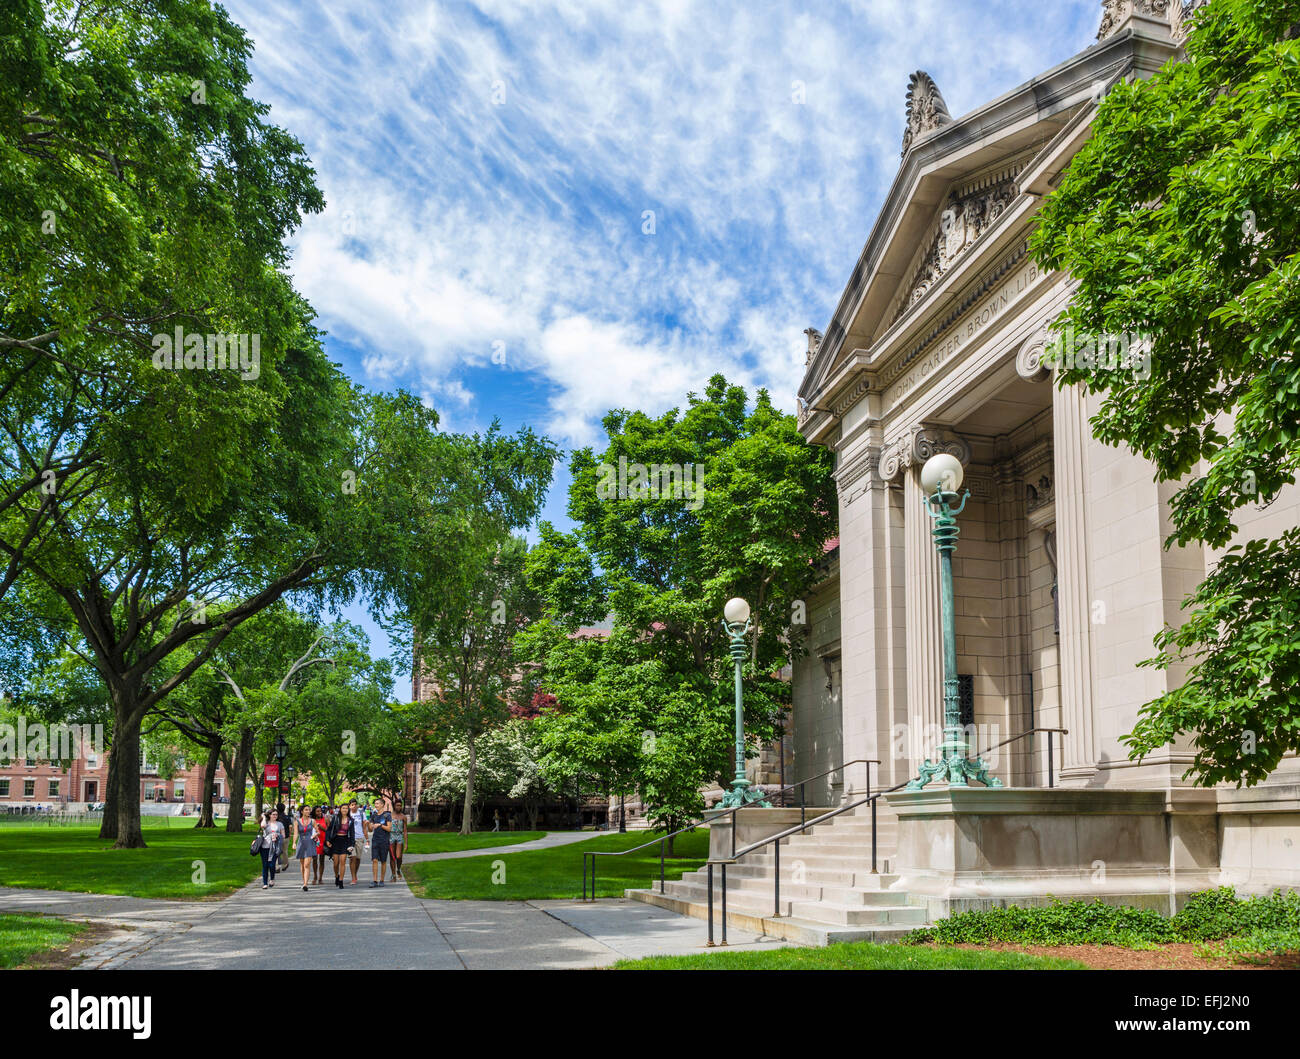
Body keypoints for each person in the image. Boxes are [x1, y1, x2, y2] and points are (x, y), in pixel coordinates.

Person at [326, 805, 354, 889]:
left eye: (346, 808)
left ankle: (341, 880)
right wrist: (327, 840)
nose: (345, 810)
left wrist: (352, 845)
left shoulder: (351, 820)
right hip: (335, 841)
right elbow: (329, 830)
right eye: (343, 808)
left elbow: (352, 833)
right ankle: (336, 876)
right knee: (336, 863)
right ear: (340, 810)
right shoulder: (335, 818)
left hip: (345, 841)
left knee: (343, 861)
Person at [367, 796, 393, 887]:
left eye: (377, 803)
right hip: (375, 840)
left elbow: (389, 829)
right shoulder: (373, 815)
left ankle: (381, 880)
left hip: (384, 841)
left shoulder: (387, 815)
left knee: (383, 861)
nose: (376, 805)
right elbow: (370, 830)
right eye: (375, 804)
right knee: (374, 860)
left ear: (382, 805)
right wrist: (369, 825)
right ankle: (375, 881)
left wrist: (380, 825)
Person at [258, 809, 285, 889]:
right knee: (265, 865)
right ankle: (265, 883)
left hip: (275, 847)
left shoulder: (280, 824)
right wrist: (263, 817)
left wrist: (277, 835)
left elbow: (283, 835)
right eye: (273, 814)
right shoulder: (266, 823)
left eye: (276, 814)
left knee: (272, 865)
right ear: (269, 815)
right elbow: (262, 826)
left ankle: (272, 879)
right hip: (265, 846)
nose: (275, 816)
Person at [293, 805, 317, 891]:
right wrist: (294, 843)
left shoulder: (313, 821)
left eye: (309, 810)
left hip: (310, 842)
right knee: (302, 864)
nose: (308, 811)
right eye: (306, 810)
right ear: (302, 811)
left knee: (307, 864)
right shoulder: (297, 821)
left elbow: (318, 831)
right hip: (301, 843)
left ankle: (306, 884)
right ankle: (304, 881)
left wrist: (315, 834)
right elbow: (296, 833)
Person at [388, 799, 408, 882]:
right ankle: (393, 875)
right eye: (397, 805)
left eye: (400, 805)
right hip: (391, 836)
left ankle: (398, 869)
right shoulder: (390, 816)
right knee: (392, 857)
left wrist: (406, 843)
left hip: (399, 836)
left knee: (399, 856)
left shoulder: (403, 817)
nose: (399, 807)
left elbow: (405, 830)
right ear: (394, 806)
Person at [347, 799, 364, 885]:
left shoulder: (361, 813)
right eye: (352, 805)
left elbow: (364, 826)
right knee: (352, 858)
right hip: (350, 839)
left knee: (358, 859)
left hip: (360, 837)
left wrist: (367, 838)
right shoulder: (347, 814)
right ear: (349, 806)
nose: (354, 806)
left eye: (355, 804)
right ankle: (353, 877)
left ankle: (355, 874)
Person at [312, 806, 328, 885]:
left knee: (322, 860)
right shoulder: (312, 820)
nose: (319, 813)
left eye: (320, 811)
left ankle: (320, 878)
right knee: (314, 859)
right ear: (314, 812)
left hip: (323, 841)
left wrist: (321, 827)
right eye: (317, 811)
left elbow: (329, 830)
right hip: (315, 841)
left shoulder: (325, 819)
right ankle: (315, 876)